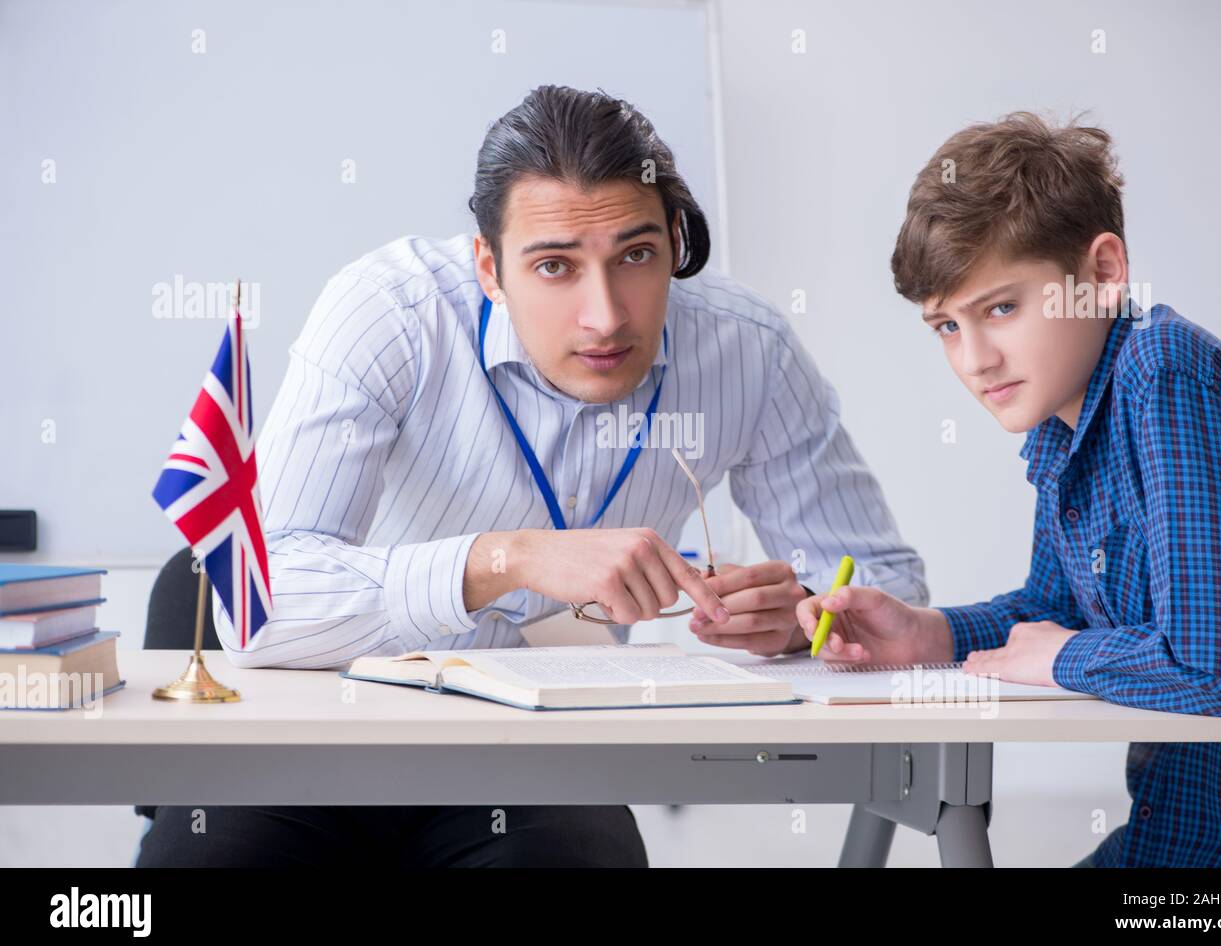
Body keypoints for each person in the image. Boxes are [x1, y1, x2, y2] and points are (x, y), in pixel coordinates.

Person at [137, 85, 927, 867]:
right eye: (554, 266)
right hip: (318, 719)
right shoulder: (389, 312)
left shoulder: (746, 347)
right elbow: (257, 602)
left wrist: (805, 622)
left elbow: (892, 589)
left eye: (637, 255)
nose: (606, 316)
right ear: (488, 265)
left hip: (534, 757)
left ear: (676, 238)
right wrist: (504, 559)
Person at [797, 112, 1221, 867]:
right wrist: (927, 635)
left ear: (1102, 272)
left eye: (1002, 308)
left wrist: (1063, 658)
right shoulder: (1065, 428)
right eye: (946, 327)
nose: (976, 360)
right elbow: (1052, 613)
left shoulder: (1161, 372)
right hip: (1180, 840)